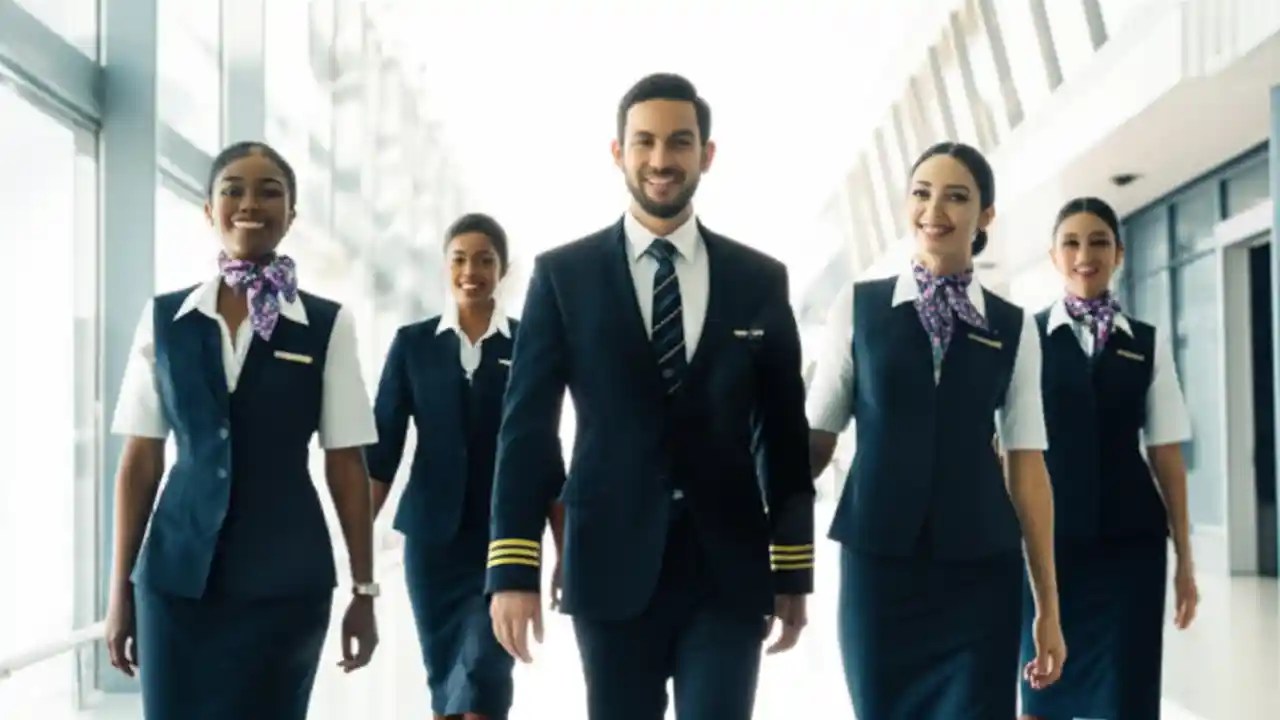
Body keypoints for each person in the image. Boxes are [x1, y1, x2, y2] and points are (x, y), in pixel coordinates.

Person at [485, 72, 814, 720]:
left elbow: (782, 436)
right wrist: (513, 570)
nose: (661, 160)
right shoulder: (562, 278)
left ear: (707, 155)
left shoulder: (759, 280)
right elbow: (526, 432)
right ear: (618, 153)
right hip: (609, 564)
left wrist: (793, 571)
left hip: (729, 572)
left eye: (680, 142)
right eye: (644, 143)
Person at [103, 141, 380, 719]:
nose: (249, 203)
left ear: (292, 215)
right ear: (209, 209)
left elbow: (345, 464)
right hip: (175, 584)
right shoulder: (165, 320)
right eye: (232, 189)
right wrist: (119, 590)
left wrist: (364, 590)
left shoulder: (327, 325)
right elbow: (142, 462)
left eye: (269, 190)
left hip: (285, 585)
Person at [806, 141, 1067, 718]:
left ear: (985, 216)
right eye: (921, 194)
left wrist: (1048, 606)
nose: (935, 211)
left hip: (981, 569)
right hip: (879, 568)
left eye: (956, 197)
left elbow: (1027, 469)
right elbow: (816, 439)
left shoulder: (1015, 326)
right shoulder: (857, 308)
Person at [1019, 196, 1198, 720]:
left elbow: (1165, 452)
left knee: (1126, 698)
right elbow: (999, 446)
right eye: (1070, 242)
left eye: (1098, 241)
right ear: (1053, 256)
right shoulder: (1024, 337)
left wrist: (1185, 559)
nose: (1084, 254)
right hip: (1045, 550)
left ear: (1118, 253)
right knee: (1040, 695)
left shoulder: (1147, 343)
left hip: (1130, 547)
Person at [366, 213, 539, 720]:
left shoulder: (528, 344)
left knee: (486, 672)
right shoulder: (413, 344)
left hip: (504, 538)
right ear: (445, 266)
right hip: (431, 541)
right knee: (445, 677)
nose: (472, 270)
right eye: (460, 258)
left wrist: (563, 539)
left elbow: (541, 451)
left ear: (502, 269)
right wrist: (356, 544)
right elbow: (383, 452)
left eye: (485, 259)